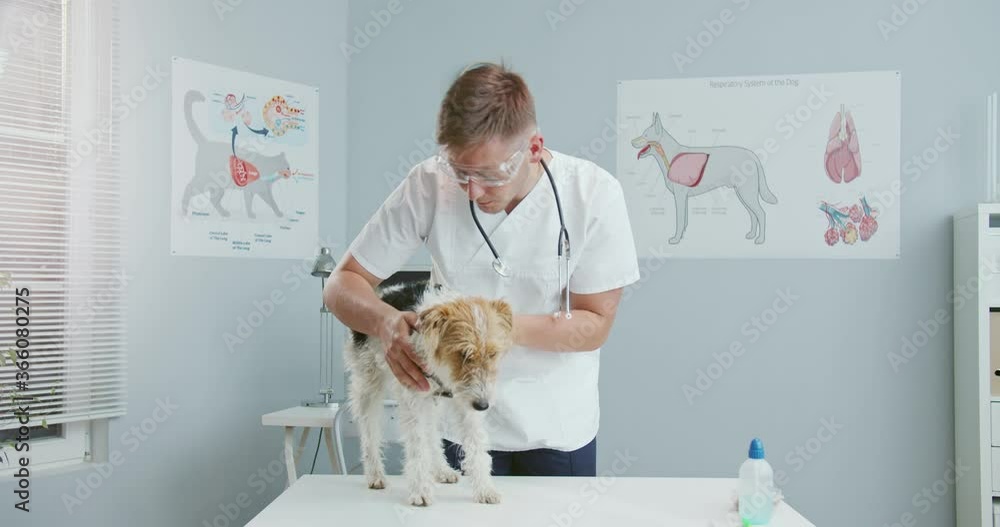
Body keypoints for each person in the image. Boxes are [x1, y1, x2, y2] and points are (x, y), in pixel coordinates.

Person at [324, 61, 640, 477]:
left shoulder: (593, 194)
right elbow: (341, 286)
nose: (473, 191)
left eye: (489, 175)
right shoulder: (429, 183)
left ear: (533, 147)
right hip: (456, 419)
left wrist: (491, 328)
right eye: (461, 172)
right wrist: (384, 323)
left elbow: (595, 323)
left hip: (555, 423)